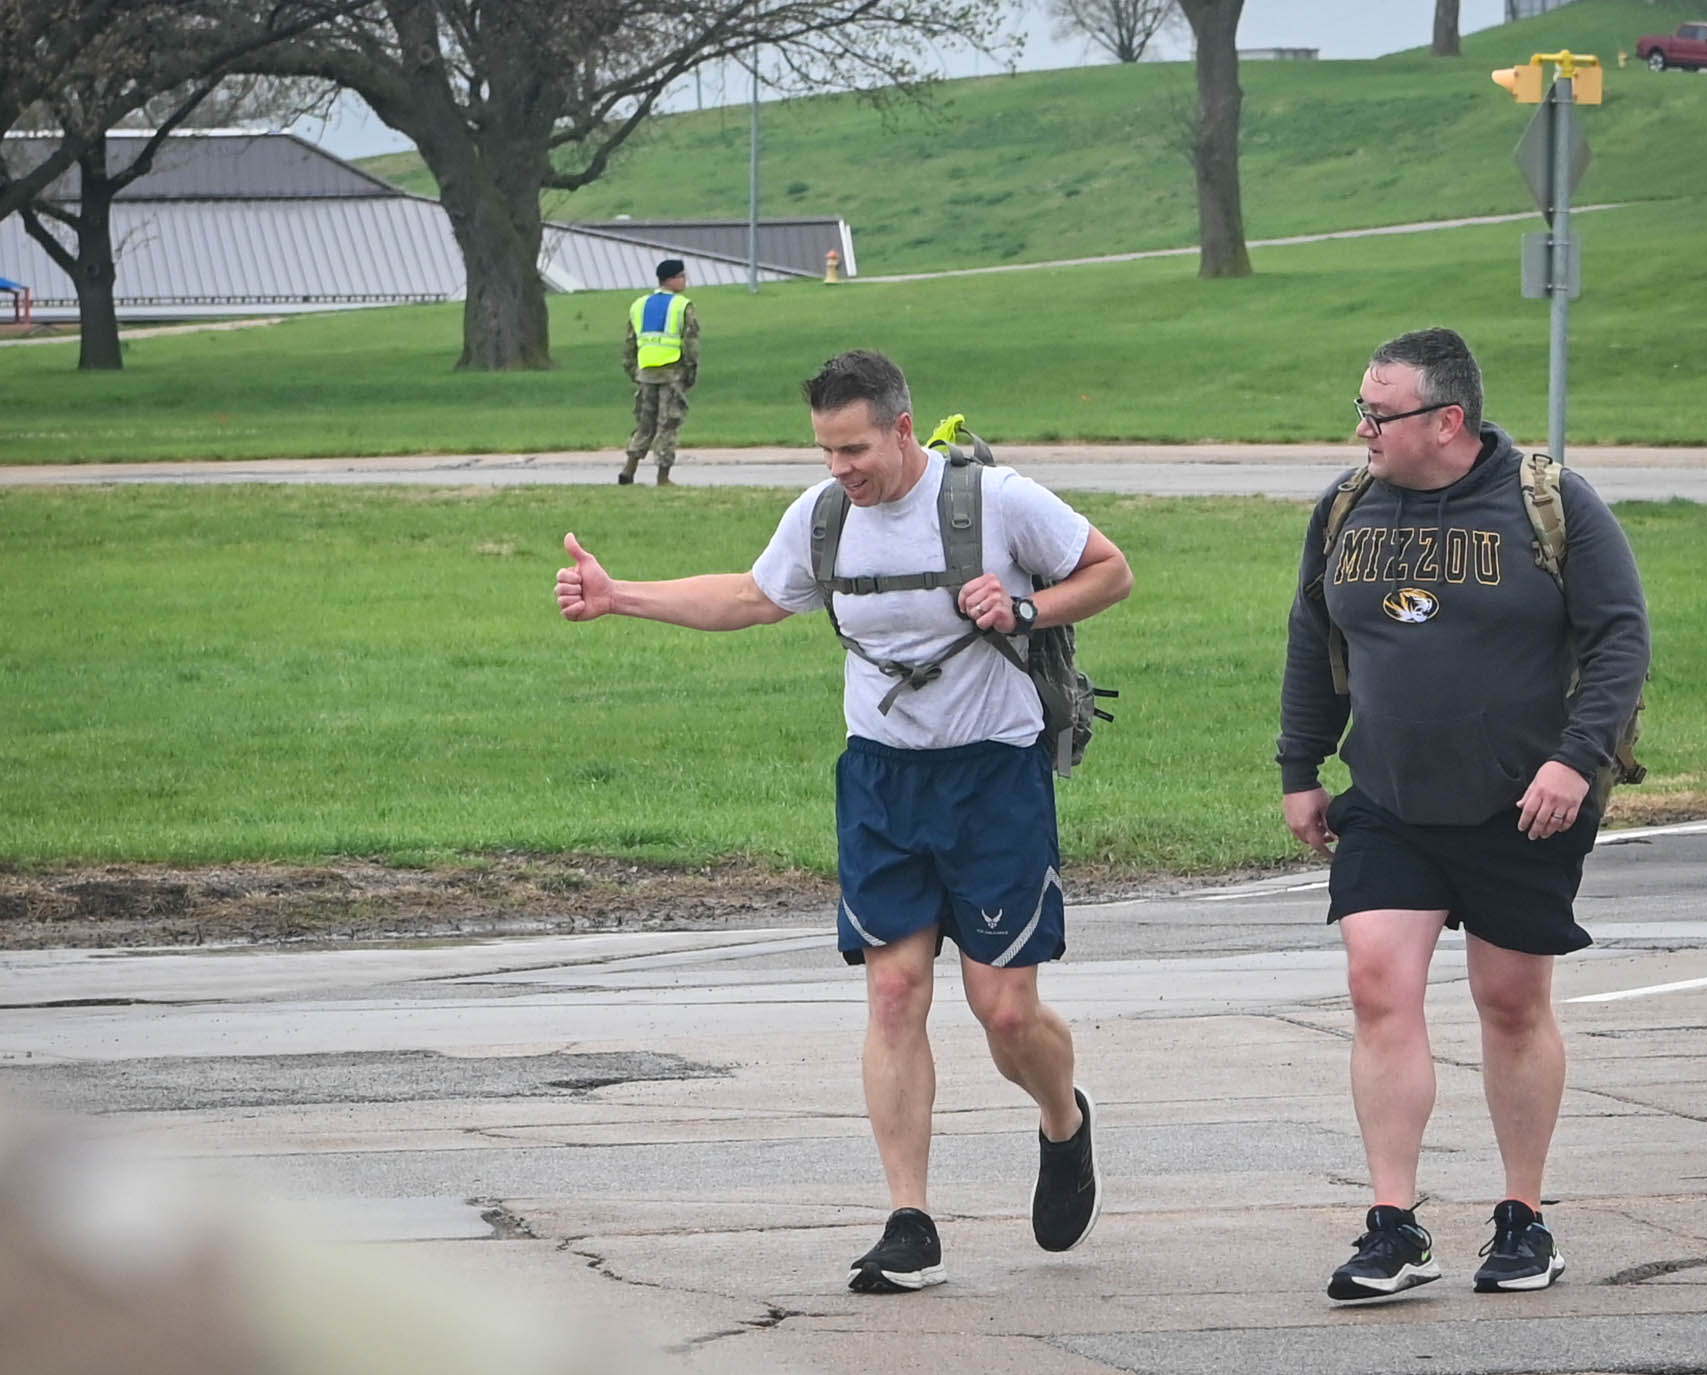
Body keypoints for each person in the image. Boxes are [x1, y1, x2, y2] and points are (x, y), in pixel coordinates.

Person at [557, 348, 1133, 1292]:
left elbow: (1111, 572)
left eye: (855, 448)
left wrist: (1027, 604)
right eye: (826, 450)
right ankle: (910, 1219)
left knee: (1004, 1009)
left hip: (994, 779)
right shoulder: (822, 516)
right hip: (879, 782)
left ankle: (1064, 1120)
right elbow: (752, 596)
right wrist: (623, 598)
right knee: (895, 995)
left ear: (902, 429)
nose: (841, 470)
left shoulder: (997, 500)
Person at [1276, 327, 1649, 1302]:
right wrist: (1298, 764)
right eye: (1359, 406)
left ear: (1445, 419)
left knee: (1509, 1002)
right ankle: (1392, 1224)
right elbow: (1311, 635)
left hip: (1521, 806)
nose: (1359, 426)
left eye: (1378, 411)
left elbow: (1618, 638)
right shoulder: (1347, 504)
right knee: (1374, 984)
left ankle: (1521, 1217)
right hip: (1390, 798)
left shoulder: (1547, 500)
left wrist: (1575, 760)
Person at [618, 259, 699, 487]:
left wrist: (633, 370)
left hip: (645, 373)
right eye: (682, 276)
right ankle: (663, 477)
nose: (685, 280)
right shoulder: (682, 306)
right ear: (671, 279)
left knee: (645, 423)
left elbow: (629, 344)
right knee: (669, 424)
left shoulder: (639, 305)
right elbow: (690, 343)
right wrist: (690, 372)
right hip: (671, 373)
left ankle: (629, 468)